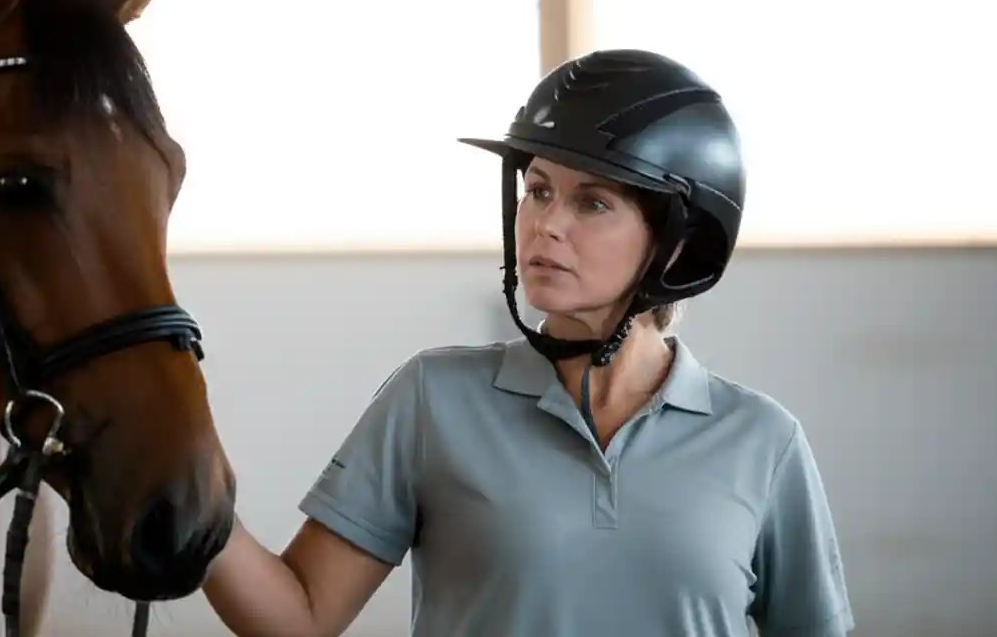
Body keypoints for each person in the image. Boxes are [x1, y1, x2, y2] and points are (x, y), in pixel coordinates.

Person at [201, 49, 854, 636]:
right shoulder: (432, 400)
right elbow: (298, 619)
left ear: (679, 243)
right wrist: (192, 490)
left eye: (592, 203)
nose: (545, 224)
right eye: (538, 191)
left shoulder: (763, 442)